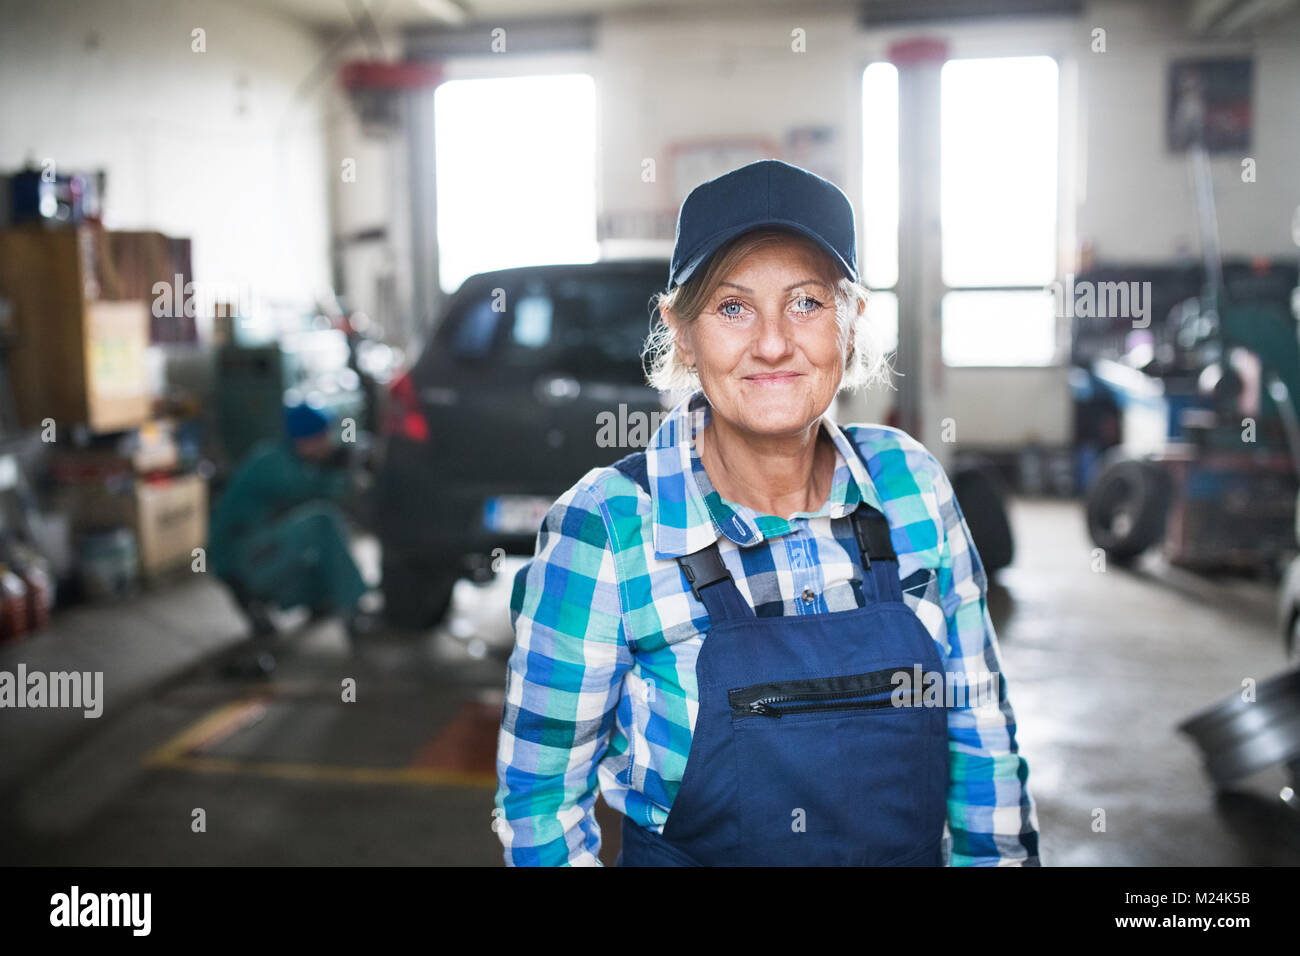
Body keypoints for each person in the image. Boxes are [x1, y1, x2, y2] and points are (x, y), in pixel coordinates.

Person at [494, 159, 1041, 866]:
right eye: (732, 307)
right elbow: (540, 810)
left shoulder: (911, 485)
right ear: (681, 333)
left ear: (851, 324)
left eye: (808, 302)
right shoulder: (605, 529)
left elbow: (980, 736)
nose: (775, 342)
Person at [209, 403, 371, 673]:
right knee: (323, 521)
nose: (328, 442)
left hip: (261, 555)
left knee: (331, 573)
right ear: (305, 440)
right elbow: (313, 492)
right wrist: (340, 470)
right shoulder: (273, 463)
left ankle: (321, 602)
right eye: (322, 436)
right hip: (244, 561)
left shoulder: (295, 461)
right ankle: (354, 616)